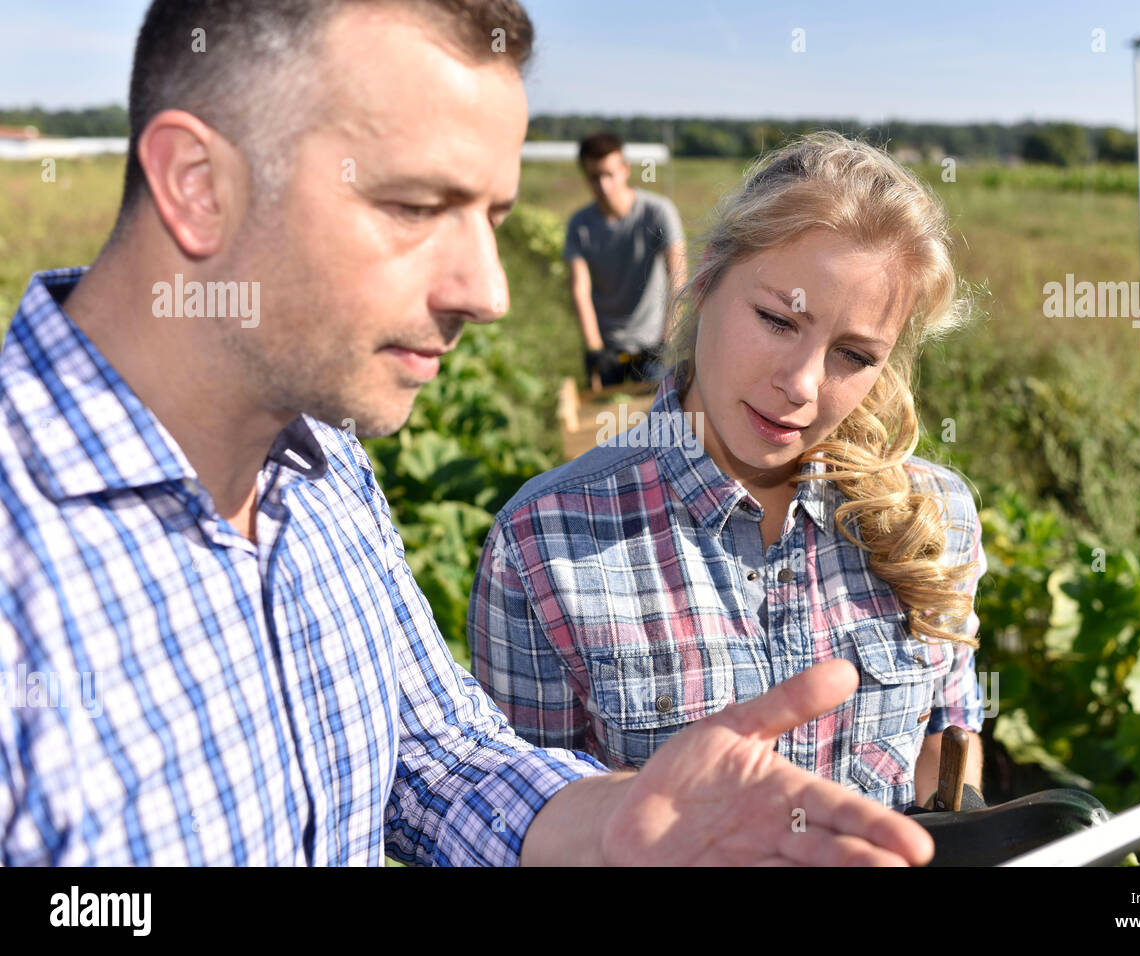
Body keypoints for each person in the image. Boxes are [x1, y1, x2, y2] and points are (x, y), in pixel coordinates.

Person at [0, 0, 935, 867]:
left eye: (490, 216)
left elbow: (431, 752)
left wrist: (619, 822)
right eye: (415, 207)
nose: (487, 293)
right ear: (197, 185)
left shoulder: (322, 464)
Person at [469, 130, 988, 812]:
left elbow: (947, 739)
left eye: (854, 356)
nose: (801, 384)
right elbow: (525, 822)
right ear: (708, 275)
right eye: (777, 320)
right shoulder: (544, 546)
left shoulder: (931, 518)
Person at [565, 131, 687, 389]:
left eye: (609, 174)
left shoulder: (657, 212)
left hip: (654, 344)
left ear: (625, 169)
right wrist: (594, 347)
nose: (604, 185)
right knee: (604, 425)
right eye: (594, 177)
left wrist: (669, 337)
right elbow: (580, 289)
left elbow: (678, 275)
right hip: (607, 346)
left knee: (659, 421)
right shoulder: (580, 225)